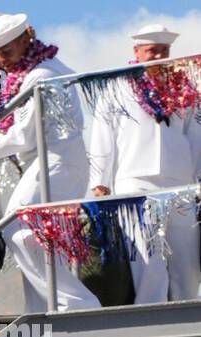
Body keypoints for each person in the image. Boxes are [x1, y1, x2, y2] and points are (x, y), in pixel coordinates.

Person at [0, 13, 101, 312]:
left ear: (25, 41)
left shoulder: (40, 76)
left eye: (6, 52)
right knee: (44, 240)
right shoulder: (36, 71)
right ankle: (42, 309)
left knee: (20, 229)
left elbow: (22, 136)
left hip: (56, 162)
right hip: (53, 162)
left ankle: (77, 306)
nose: (0, 60)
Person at [87, 24, 201, 304]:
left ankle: (187, 309)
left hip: (180, 181)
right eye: (152, 51)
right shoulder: (118, 86)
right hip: (135, 180)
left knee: (186, 258)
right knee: (148, 257)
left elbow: (196, 138)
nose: (158, 56)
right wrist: (99, 180)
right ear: (137, 52)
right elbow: (103, 135)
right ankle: (151, 308)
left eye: (164, 51)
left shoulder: (184, 89)